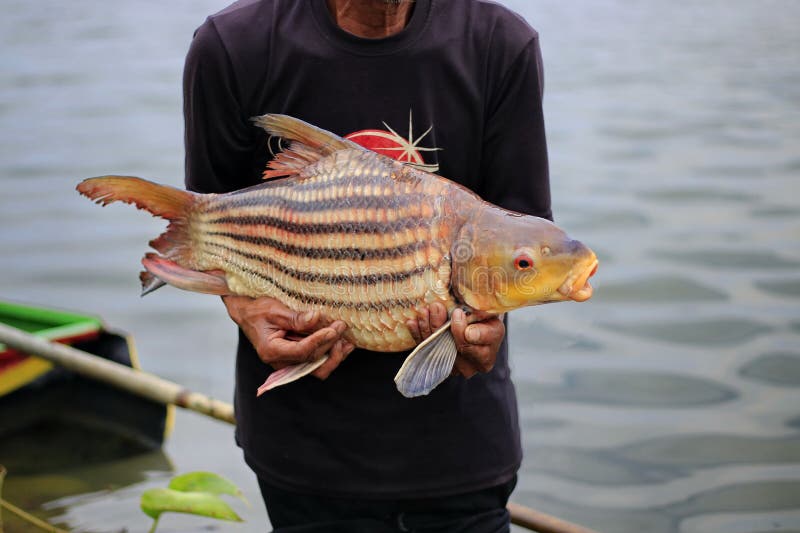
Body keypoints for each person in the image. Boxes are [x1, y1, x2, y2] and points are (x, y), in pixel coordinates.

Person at [183, 0, 551, 531]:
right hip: (301, 455)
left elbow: (524, 245)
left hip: (461, 452)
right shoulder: (232, 46)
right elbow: (212, 234)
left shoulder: (499, 44)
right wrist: (245, 309)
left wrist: (482, 335)